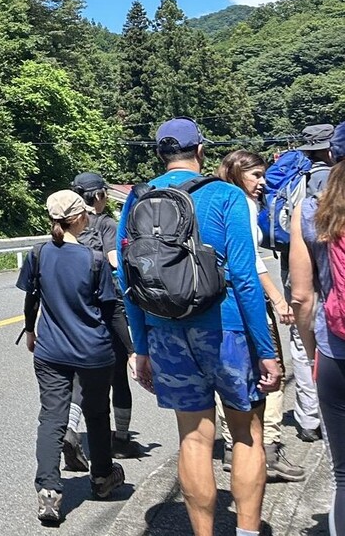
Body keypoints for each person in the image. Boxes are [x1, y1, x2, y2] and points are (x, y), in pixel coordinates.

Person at [117, 118, 282, 536]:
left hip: (166, 330)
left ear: (160, 156)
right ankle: (245, 531)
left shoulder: (137, 198)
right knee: (246, 434)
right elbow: (245, 279)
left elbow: (128, 281)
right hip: (226, 331)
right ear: (201, 151)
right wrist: (266, 350)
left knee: (193, 438)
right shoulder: (226, 195)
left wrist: (142, 346)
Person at [19, 189, 126, 526]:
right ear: (81, 217)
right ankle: (102, 478)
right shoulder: (93, 260)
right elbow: (111, 311)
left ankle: (49, 490)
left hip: (50, 351)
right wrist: (136, 351)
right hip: (93, 352)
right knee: (96, 413)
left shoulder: (38, 254)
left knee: (52, 417)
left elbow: (31, 299)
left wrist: (30, 331)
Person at [214, 150, 305, 481]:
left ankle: (229, 447)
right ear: (238, 174)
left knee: (229, 378)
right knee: (272, 374)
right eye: (256, 175)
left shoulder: (215, 201)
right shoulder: (244, 206)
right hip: (247, 305)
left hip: (218, 309)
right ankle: (269, 449)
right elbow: (249, 265)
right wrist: (279, 299)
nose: (262, 182)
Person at [58, 172, 141, 468]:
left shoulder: (66, 224)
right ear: (97, 196)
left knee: (81, 378)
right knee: (118, 374)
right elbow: (115, 260)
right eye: (104, 193)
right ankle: (120, 439)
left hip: (73, 310)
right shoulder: (106, 224)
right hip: (106, 306)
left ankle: (69, 429)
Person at [289, 152, 345, 534]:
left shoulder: (311, 211)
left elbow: (302, 298)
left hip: (335, 351)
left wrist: (312, 352)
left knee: (343, 474)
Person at [283, 122, 336, 444]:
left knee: (303, 347)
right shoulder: (335, 181)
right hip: (330, 274)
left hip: (296, 269)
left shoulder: (294, 182)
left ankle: (308, 418)